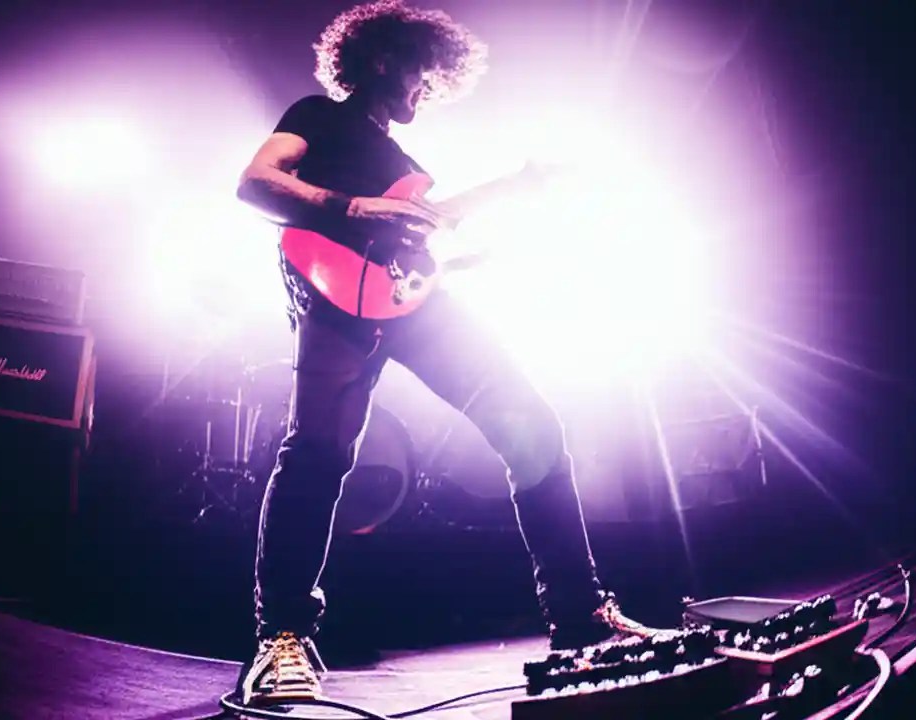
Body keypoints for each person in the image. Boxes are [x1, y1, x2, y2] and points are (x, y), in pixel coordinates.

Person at [234, 0, 658, 704]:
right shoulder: (316, 115)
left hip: (411, 302)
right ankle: (280, 639)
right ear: (382, 60)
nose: (424, 89)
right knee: (316, 453)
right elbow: (256, 184)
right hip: (334, 298)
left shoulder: (406, 162)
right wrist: (354, 207)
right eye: (420, 74)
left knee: (531, 423)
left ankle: (581, 616)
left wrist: (518, 188)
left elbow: (419, 232)